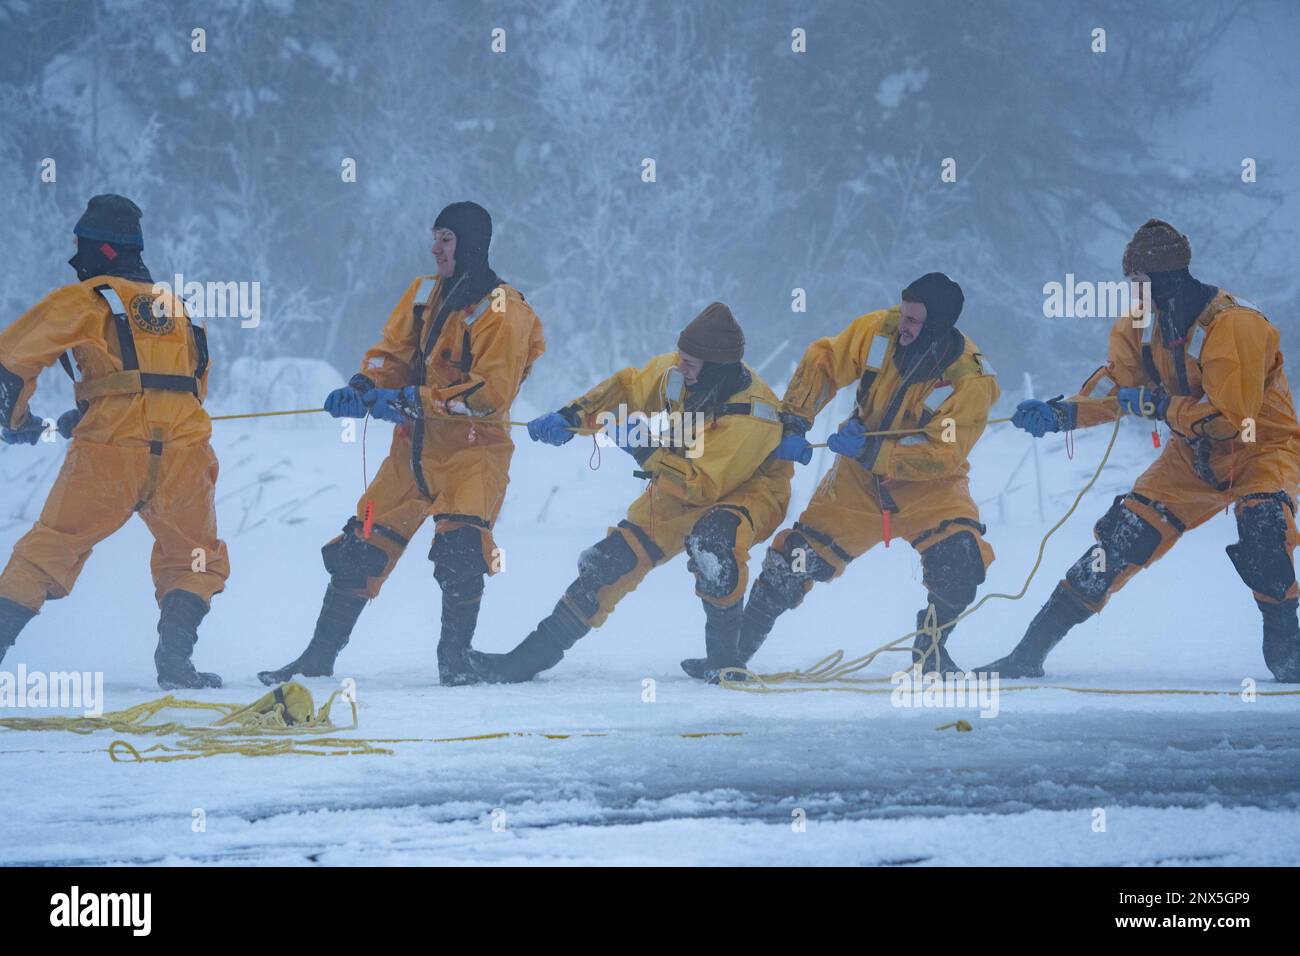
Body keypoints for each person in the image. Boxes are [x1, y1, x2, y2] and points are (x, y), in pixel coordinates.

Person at [981, 220, 1300, 682]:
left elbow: (1234, 419)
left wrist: (1161, 406)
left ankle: (1288, 657)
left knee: (1264, 531)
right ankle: (1028, 654)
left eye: (1139, 282)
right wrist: (1062, 415)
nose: (1133, 291)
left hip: (1261, 447)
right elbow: (1120, 389)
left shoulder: (1234, 326)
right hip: (1191, 454)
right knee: (1120, 540)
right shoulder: (1139, 321)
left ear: (1167, 278)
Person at [258, 201, 545, 687]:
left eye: (447, 238)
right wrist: (366, 385)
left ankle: (455, 661)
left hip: (473, 453)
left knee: (459, 552)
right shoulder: (424, 293)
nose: (435, 247)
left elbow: (489, 396)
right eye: (434, 236)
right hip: (411, 452)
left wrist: (413, 399)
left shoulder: (504, 310)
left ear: (471, 242)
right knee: (359, 548)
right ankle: (316, 659)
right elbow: (391, 354)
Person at [466, 302, 793, 683]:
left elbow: (703, 486)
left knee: (714, 542)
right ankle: (526, 660)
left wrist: (644, 449)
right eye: (681, 357)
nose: (680, 366)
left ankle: (725, 661)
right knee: (611, 561)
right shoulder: (678, 373)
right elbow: (627, 390)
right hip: (680, 480)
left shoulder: (753, 414)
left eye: (691, 362)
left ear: (717, 366)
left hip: (748, 493)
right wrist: (573, 417)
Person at [0, 194, 228, 688]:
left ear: (103, 250)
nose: (74, 259)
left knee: (51, 548)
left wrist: (13, 420)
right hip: (185, 455)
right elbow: (186, 385)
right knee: (194, 556)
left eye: (80, 247)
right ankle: (176, 665)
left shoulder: (83, 298)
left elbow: (12, 364)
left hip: (108, 455)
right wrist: (91, 409)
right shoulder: (181, 309)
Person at [740, 273, 999, 676]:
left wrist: (872, 449)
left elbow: (943, 454)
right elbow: (824, 362)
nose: (903, 325)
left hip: (932, 491)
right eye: (904, 313)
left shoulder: (971, 382)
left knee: (962, 561)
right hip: (856, 484)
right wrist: (794, 421)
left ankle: (930, 653)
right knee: (792, 561)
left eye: (914, 321)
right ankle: (732, 655)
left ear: (937, 326)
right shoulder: (881, 330)